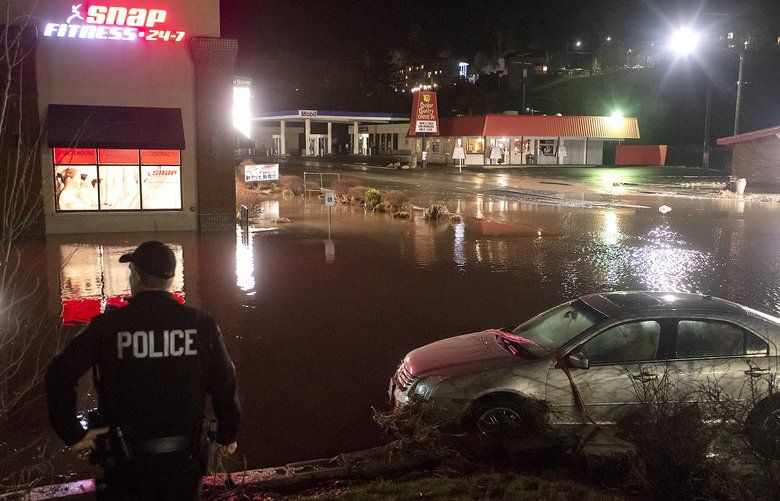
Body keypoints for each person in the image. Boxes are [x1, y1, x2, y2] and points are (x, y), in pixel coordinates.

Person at [46, 241, 240, 500]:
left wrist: (73, 433)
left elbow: (59, 375)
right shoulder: (201, 325)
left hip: (126, 468)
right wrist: (228, 433)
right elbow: (225, 382)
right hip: (184, 465)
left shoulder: (108, 327)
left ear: (135, 276)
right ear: (170, 280)